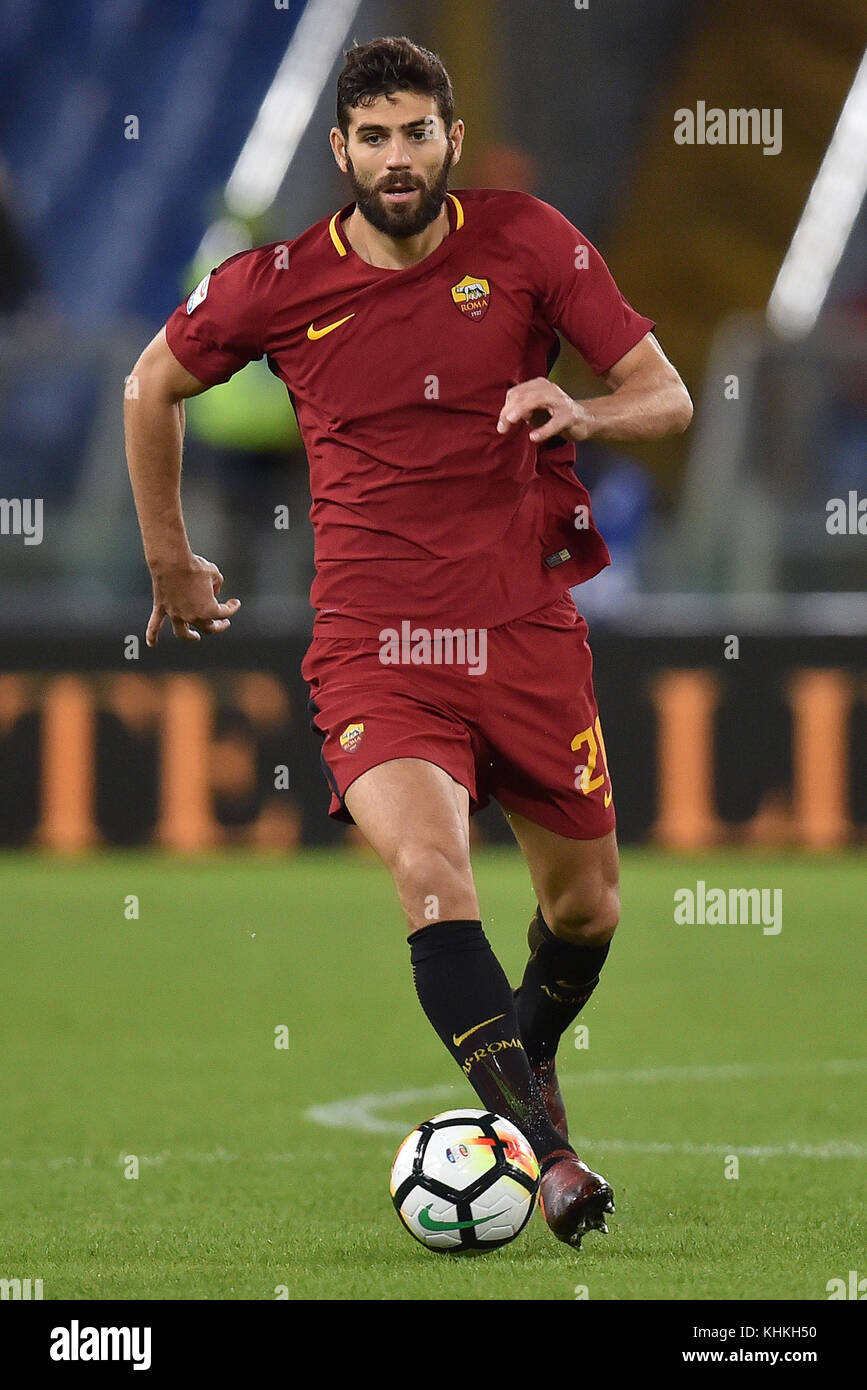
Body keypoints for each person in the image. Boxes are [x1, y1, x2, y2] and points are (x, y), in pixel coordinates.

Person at [124, 36, 692, 1248]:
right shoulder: (273, 280)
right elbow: (149, 386)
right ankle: (549, 1156)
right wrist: (170, 558)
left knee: (587, 910)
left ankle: (512, 1083)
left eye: (414, 133)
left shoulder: (530, 241)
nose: (395, 156)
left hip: (528, 634)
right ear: (338, 150)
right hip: (377, 649)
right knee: (434, 880)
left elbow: (667, 392)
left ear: (450, 142)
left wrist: (580, 405)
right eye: (372, 137)